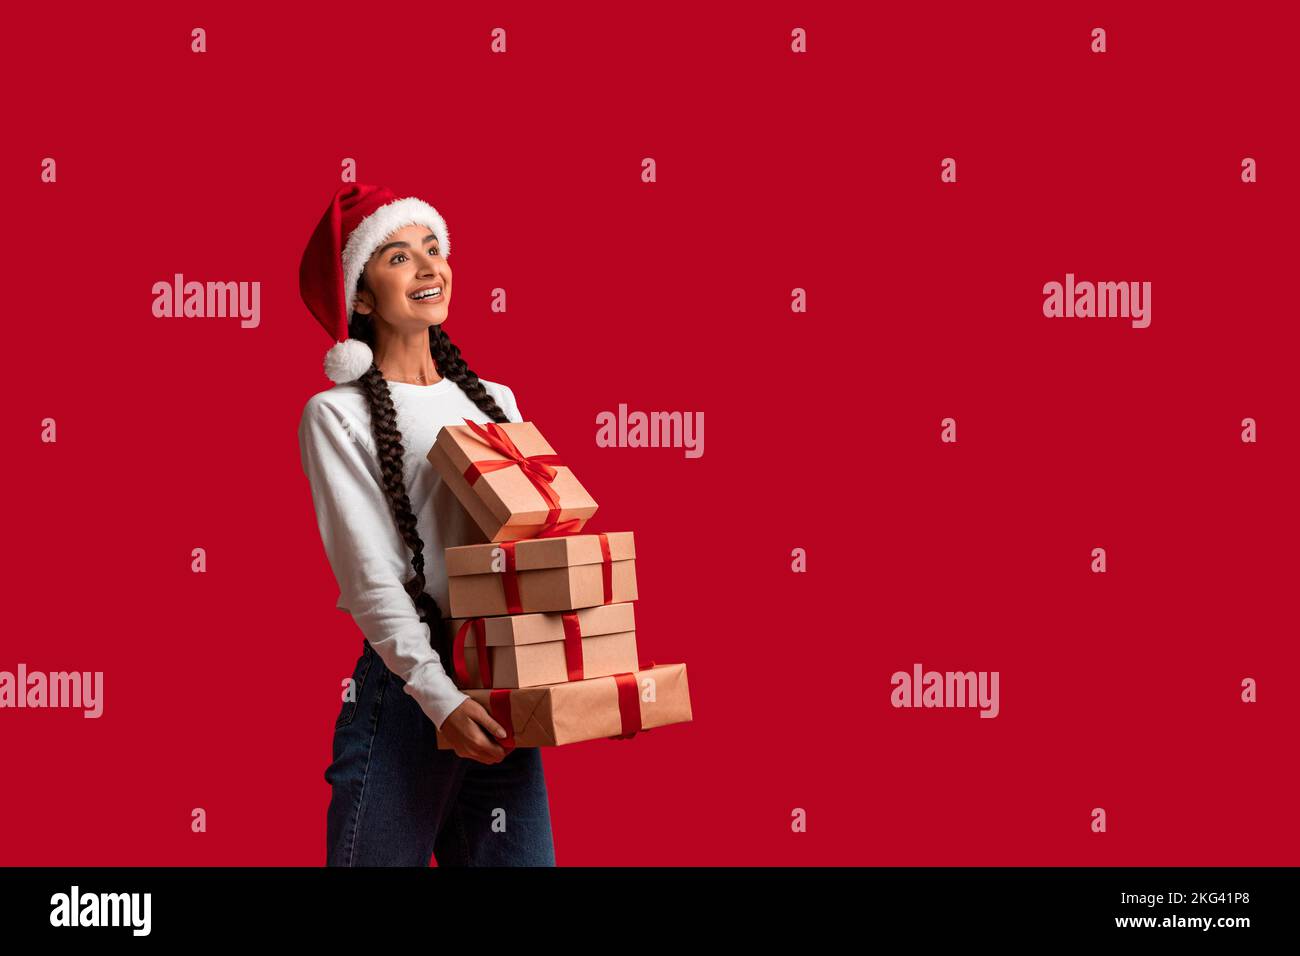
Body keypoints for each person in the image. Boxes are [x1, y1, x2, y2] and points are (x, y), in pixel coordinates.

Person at [296, 183, 556, 866]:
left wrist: (575, 681)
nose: (428, 267)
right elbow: (371, 579)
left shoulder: (496, 401)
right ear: (360, 295)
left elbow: (536, 548)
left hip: (500, 680)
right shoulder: (336, 416)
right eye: (398, 257)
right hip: (409, 693)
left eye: (434, 249)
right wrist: (438, 698)